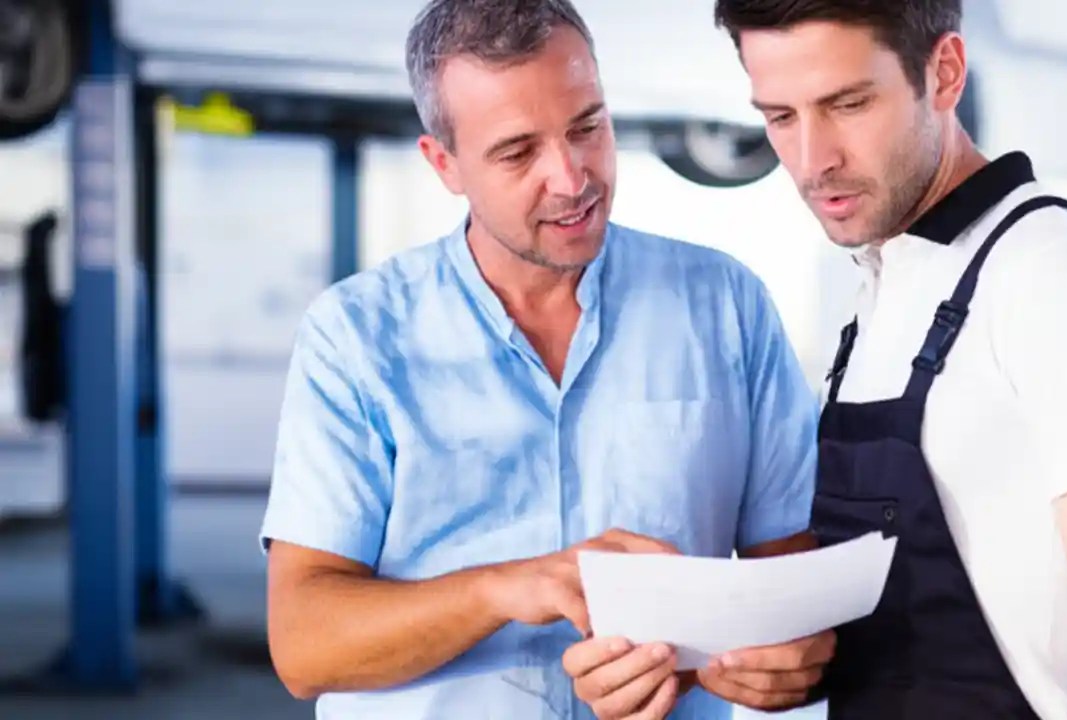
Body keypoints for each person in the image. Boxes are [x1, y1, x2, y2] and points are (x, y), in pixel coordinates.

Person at [259, 0, 831, 718]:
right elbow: (305, 648)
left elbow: (793, 588)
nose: (570, 178)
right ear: (446, 165)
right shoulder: (355, 339)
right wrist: (506, 587)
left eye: (587, 128)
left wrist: (773, 665)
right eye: (517, 151)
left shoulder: (726, 306)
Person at [707, 1, 1067, 718]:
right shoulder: (885, 289)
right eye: (781, 117)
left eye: (847, 104)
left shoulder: (1054, 269)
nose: (813, 160)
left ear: (944, 73)